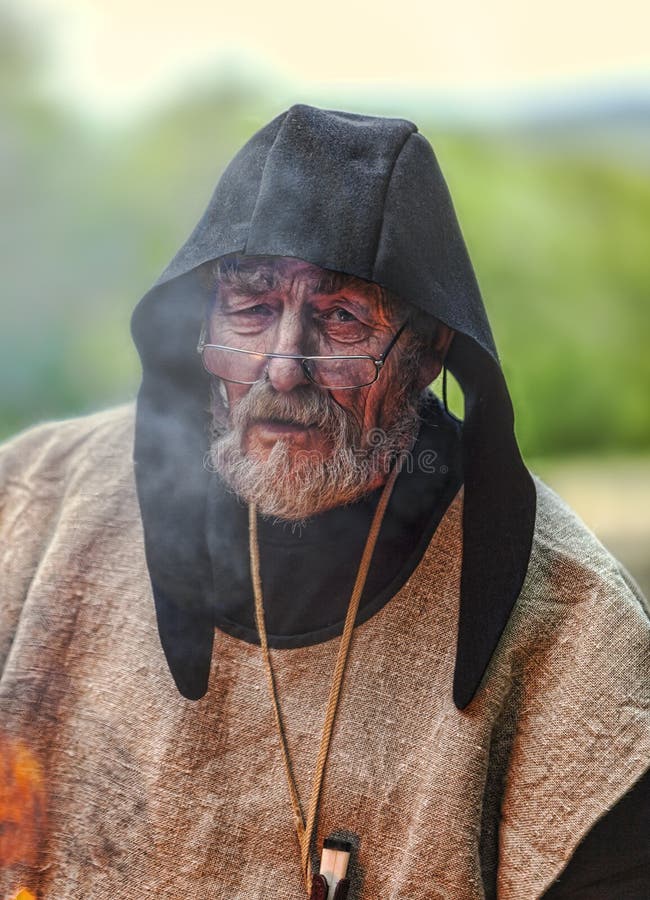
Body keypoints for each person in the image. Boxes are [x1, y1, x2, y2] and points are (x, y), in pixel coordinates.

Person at [0, 104, 648, 900]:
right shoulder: (30, 504)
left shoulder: (576, 635)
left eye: (341, 318)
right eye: (251, 308)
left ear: (430, 348)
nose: (282, 368)